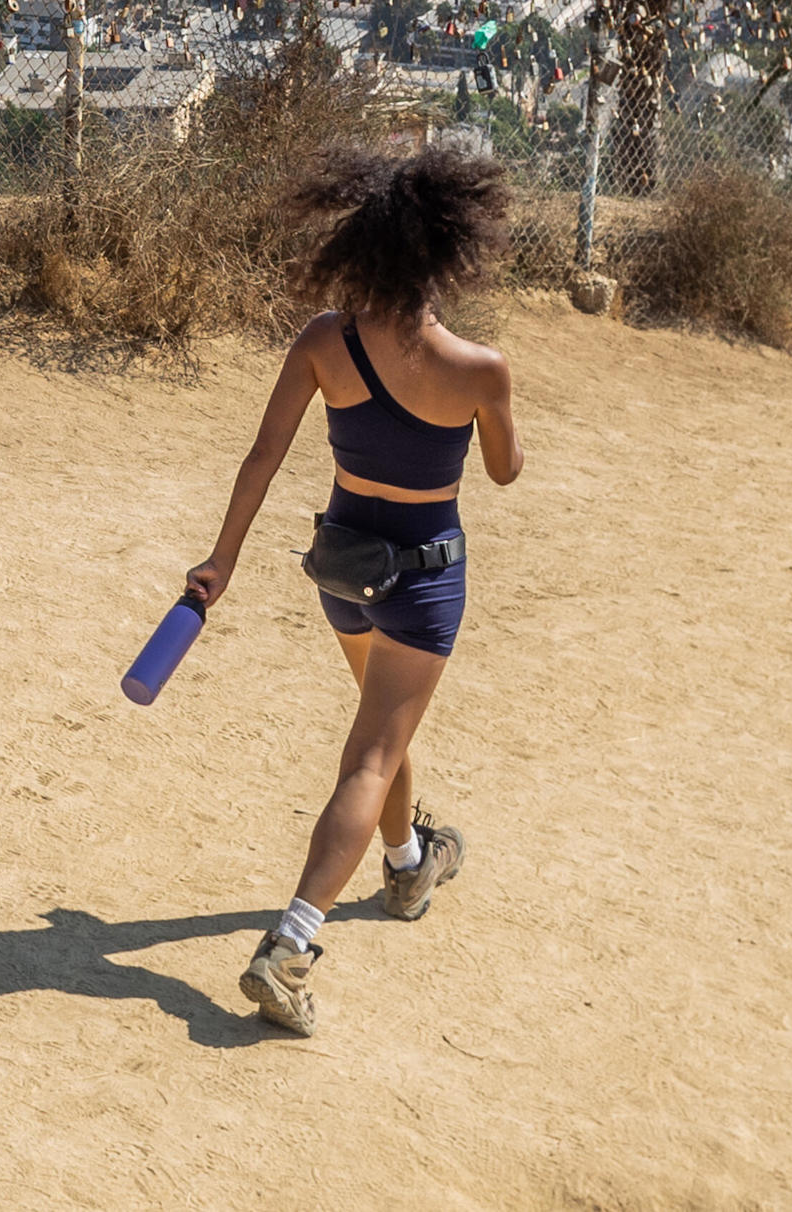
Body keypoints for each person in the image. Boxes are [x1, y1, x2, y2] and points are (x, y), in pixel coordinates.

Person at [182, 142, 524, 1037]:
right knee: (372, 754)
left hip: (340, 568)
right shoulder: (479, 368)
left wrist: (221, 562)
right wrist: (497, 418)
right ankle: (291, 945)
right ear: (448, 253)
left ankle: (410, 862)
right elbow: (503, 472)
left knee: (383, 723)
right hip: (420, 583)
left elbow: (263, 458)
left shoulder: (324, 340)